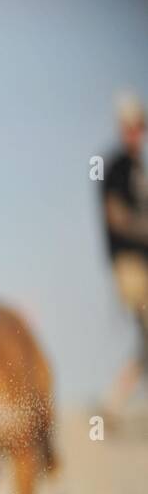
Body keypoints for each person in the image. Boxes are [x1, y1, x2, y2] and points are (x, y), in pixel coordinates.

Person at [100, 93, 148, 418]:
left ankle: (114, 403)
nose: (136, 132)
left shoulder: (137, 167)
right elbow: (113, 213)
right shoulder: (117, 165)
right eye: (131, 126)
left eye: (139, 126)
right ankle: (112, 404)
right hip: (129, 265)